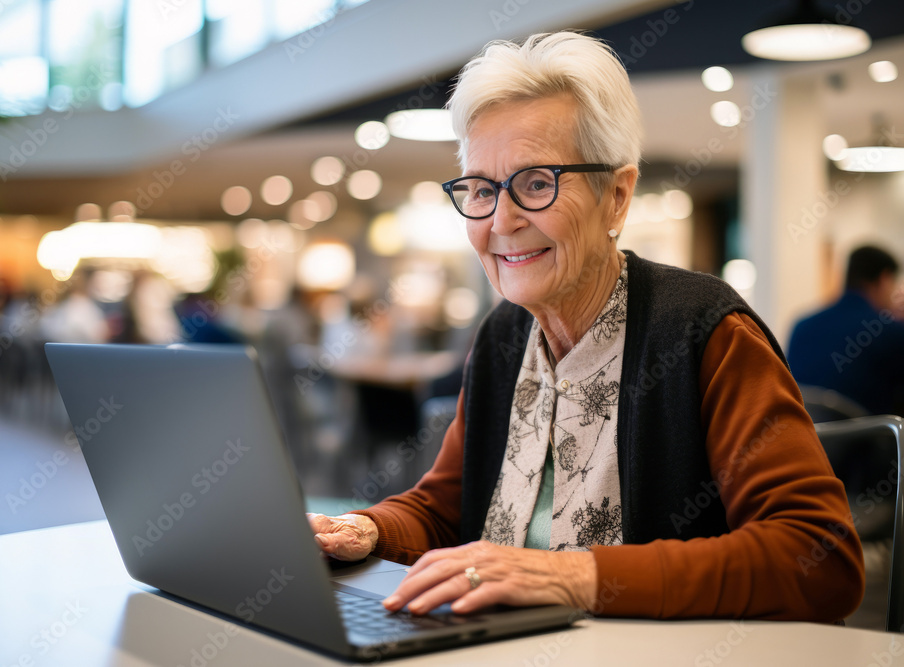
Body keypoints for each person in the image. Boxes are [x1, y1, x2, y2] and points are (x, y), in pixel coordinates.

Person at [309, 32, 864, 622]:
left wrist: (571, 575)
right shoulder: (503, 338)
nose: (502, 220)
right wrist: (362, 529)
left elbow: (819, 557)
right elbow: (445, 507)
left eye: (537, 183)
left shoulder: (703, 331)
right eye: (480, 189)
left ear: (617, 197)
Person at [787, 246, 904, 450]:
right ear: (885, 280)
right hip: (863, 461)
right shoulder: (894, 331)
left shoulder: (801, 326)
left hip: (805, 454)